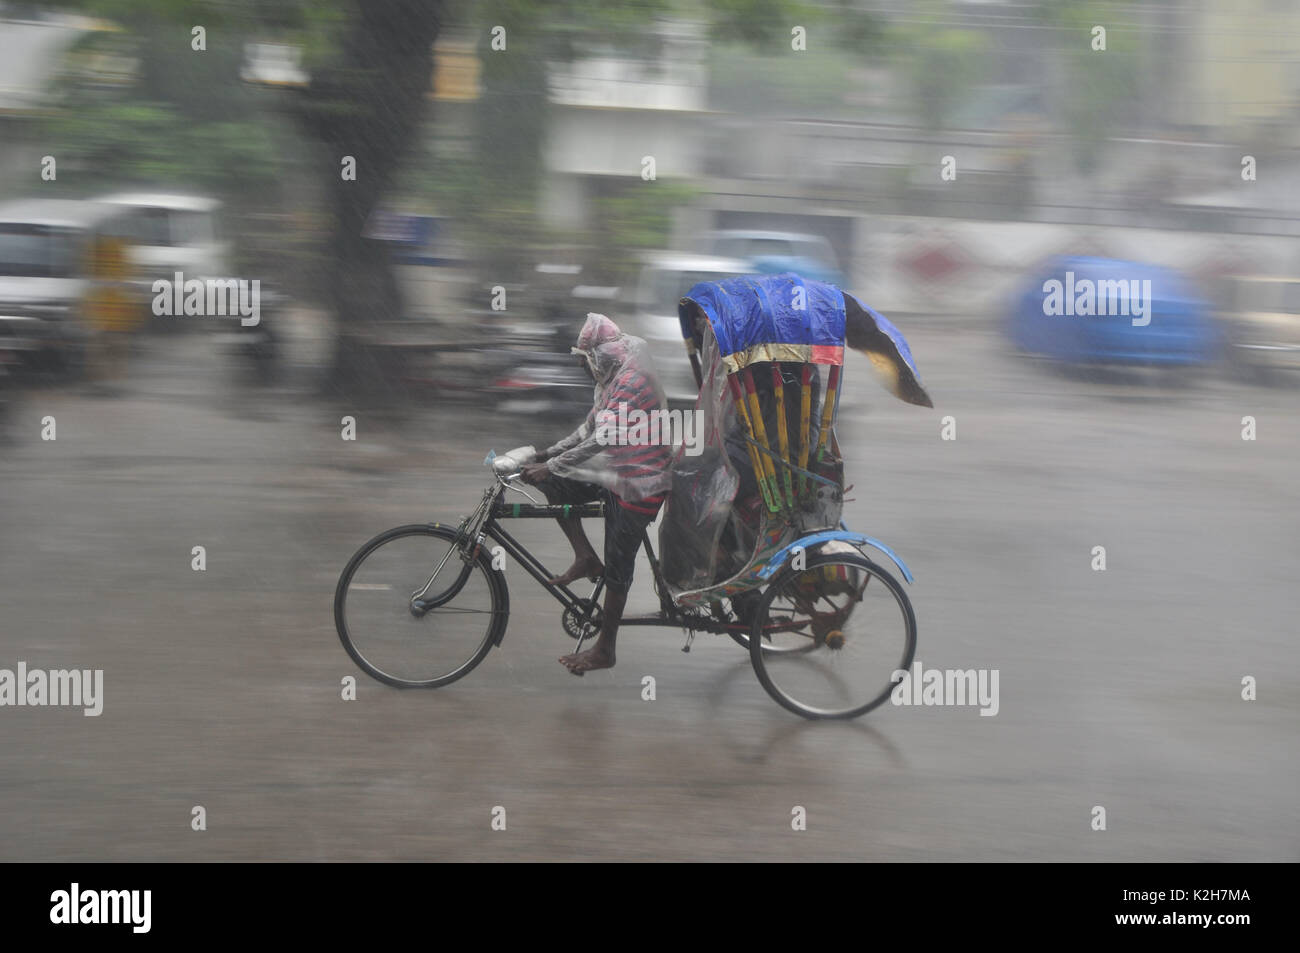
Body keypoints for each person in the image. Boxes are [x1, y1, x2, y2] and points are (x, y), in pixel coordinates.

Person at [519, 313, 672, 675]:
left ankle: (605, 650)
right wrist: (548, 455)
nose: (583, 369)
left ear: (598, 357)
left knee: (619, 564)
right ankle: (585, 557)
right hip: (618, 474)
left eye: (584, 362)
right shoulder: (611, 378)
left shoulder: (632, 380)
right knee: (551, 483)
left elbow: (605, 438)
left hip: (642, 484)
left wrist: (552, 463)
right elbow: (589, 428)